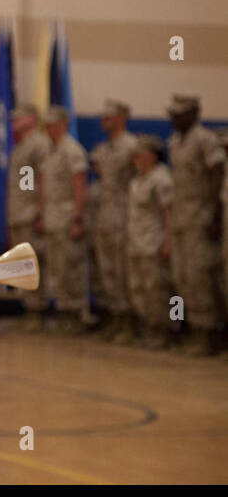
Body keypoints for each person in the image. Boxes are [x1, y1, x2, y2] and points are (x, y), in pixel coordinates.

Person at [166, 93, 225, 356]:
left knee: (201, 275)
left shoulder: (206, 140)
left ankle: (210, 332)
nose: (174, 118)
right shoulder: (174, 142)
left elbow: (216, 176)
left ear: (193, 113)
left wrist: (214, 216)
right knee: (183, 276)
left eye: (179, 113)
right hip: (181, 217)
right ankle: (194, 328)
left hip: (200, 217)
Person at [39, 105, 93, 334]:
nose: (49, 128)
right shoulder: (50, 151)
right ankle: (64, 312)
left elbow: (80, 185)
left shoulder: (72, 150)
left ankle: (77, 315)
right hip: (52, 218)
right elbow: (43, 186)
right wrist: (41, 214)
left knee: (72, 267)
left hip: (68, 217)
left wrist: (78, 218)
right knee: (57, 268)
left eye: (52, 124)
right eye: (46, 125)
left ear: (63, 124)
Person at [88, 99, 138, 341]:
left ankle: (129, 322)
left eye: (109, 117)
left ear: (121, 118)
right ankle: (114, 318)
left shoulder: (132, 147)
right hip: (104, 216)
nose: (103, 121)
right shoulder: (103, 149)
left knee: (122, 271)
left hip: (123, 216)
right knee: (106, 271)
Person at [126, 134, 174, 350]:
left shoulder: (161, 178)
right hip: (137, 242)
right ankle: (148, 328)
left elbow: (168, 212)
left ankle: (167, 330)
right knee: (139, 287)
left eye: (140, 155)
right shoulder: (137, 181)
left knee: (159, 290)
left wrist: (168, 241)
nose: (136, 159)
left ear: (153, 156)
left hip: (154, 242)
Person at [9, 104, 52, 332]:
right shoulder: (21, 145)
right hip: (19, 213)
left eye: (20, 117)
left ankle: (38, 312)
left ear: (33, 119)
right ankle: (29, 309)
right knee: (23, 265)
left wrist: (40, 212)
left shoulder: (39, 144)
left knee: (33, 264)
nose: (14, 121)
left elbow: (43, 180)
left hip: (30, 213)